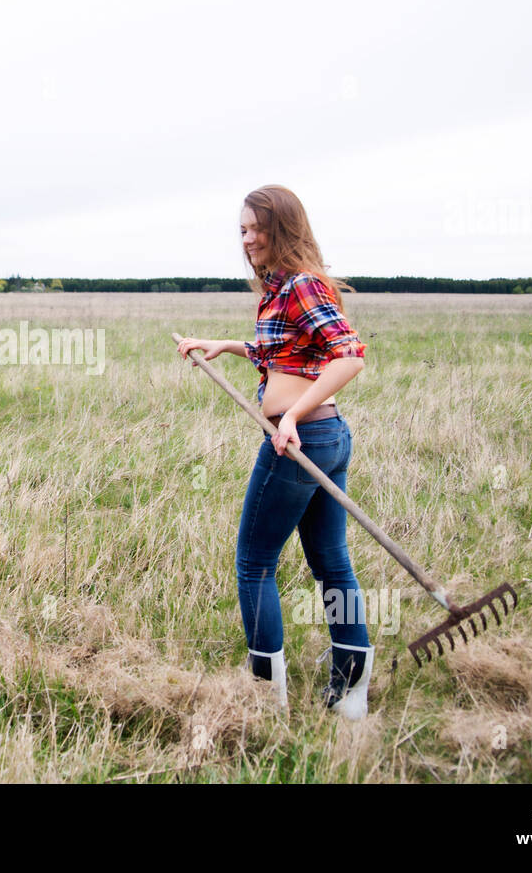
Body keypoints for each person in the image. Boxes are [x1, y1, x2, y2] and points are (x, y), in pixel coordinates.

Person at [176, 184, 372, 719]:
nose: (247, 239)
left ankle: (265, 699)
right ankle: (350, 694)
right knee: (330, 560)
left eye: (255, 228)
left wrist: (288, 415)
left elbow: (349, 357)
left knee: (254, 563)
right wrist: (225, 346)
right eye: (241, 230)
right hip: (326, 437)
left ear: (282, 226)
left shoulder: (304, 285)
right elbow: (283, 352)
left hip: (300, 442)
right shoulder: (280, 288)